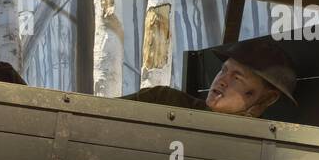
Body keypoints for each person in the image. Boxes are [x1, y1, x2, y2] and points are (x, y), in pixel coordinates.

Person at [123, 37, 296, 117]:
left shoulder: (257, 147)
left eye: (237, 78)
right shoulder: (162, 99)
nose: (221, 80)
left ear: (268, 98)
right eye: (223, 70)